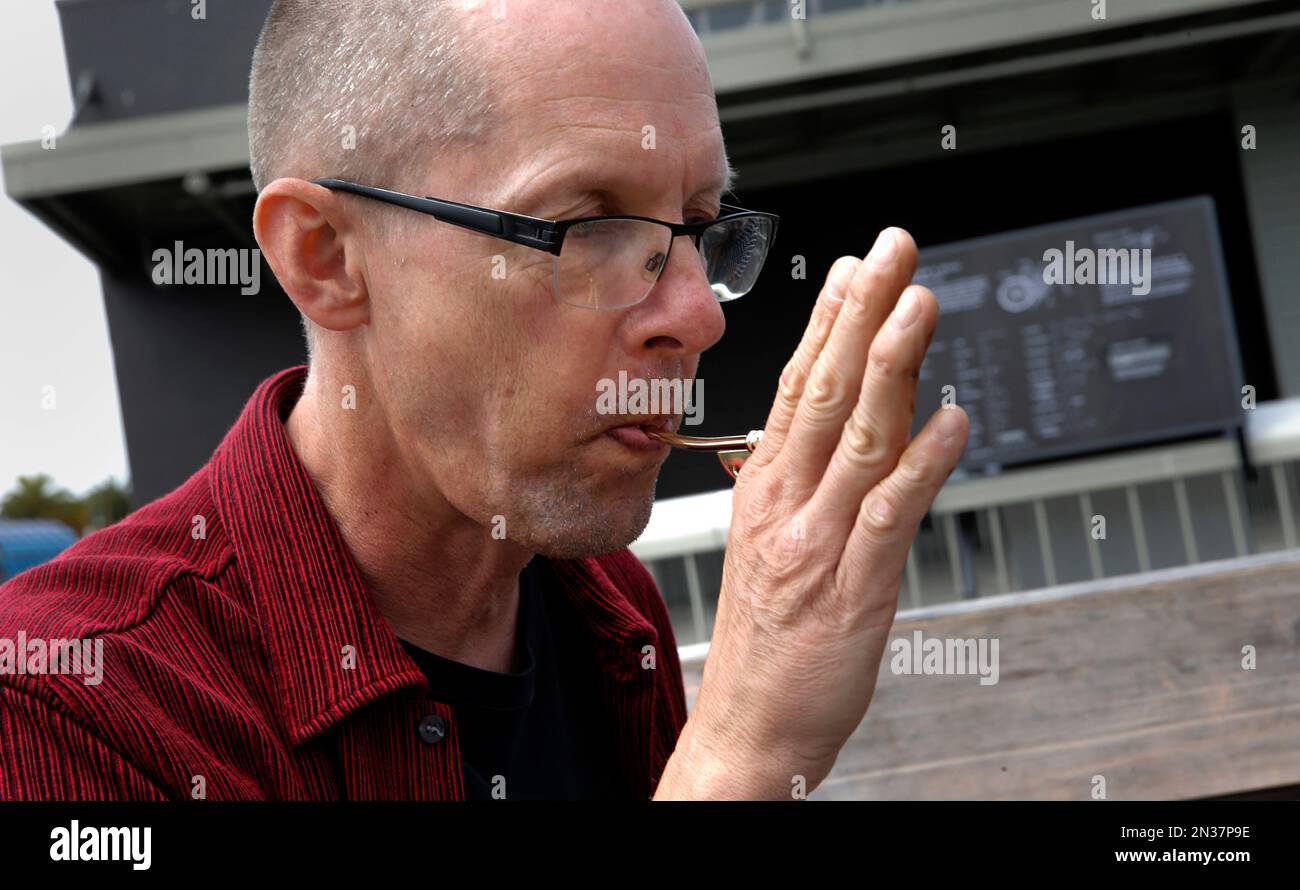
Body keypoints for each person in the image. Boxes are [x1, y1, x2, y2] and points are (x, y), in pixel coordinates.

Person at [0, 0, 968, 800]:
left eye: (699, 227)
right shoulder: (67, 705)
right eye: (585, 224)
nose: (694, 317)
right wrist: (740, 758)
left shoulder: (605, 605)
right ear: (325, 257)